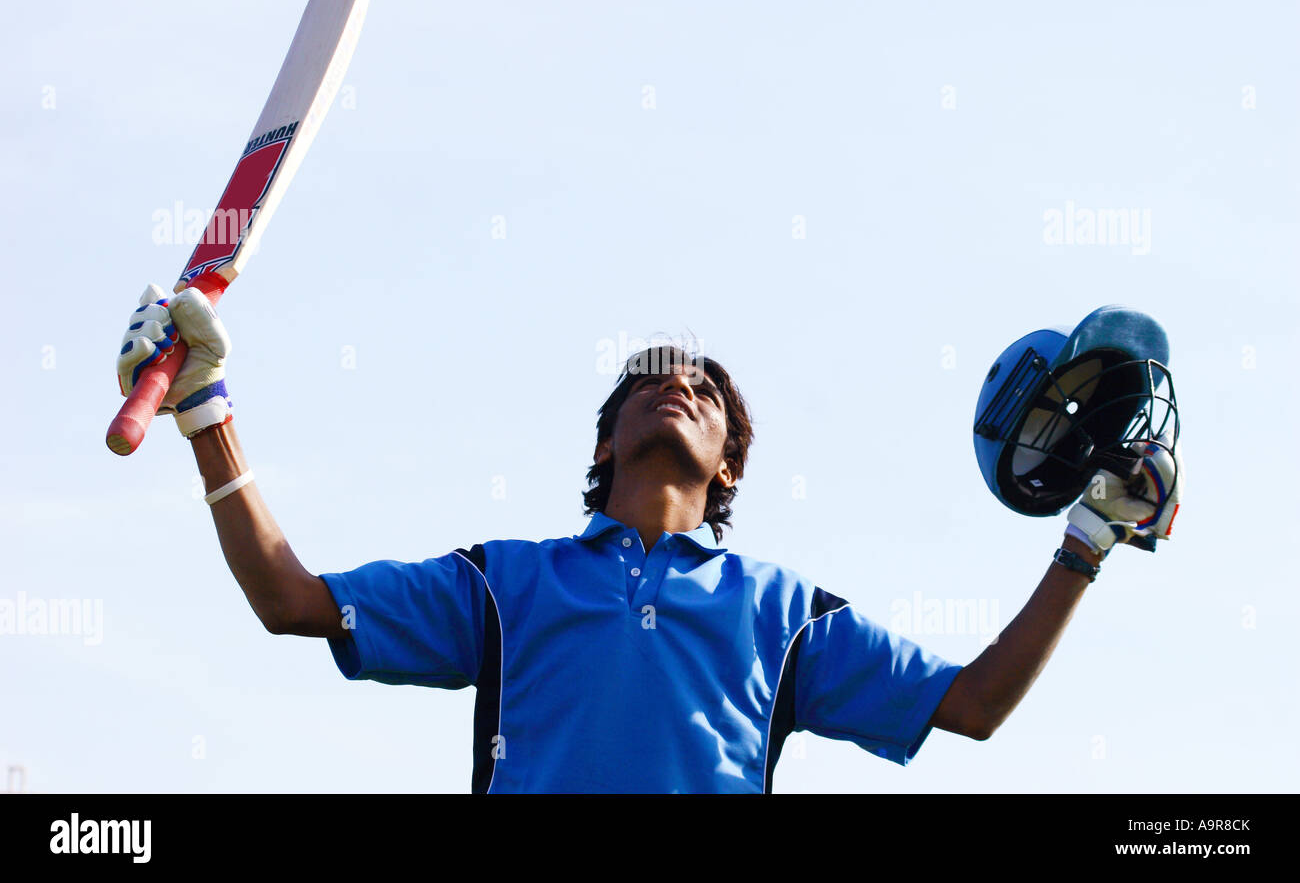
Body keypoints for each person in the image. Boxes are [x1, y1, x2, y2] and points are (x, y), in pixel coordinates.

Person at [115, 286, 1182, 793]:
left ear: (728, 463)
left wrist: (1085, 537)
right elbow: (288, 598)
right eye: (653, 376)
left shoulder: (786, 614)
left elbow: (973, 704)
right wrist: (208, 409)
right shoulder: (504, 584)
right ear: (607, 435)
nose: (680, 381)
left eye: (706, 386)